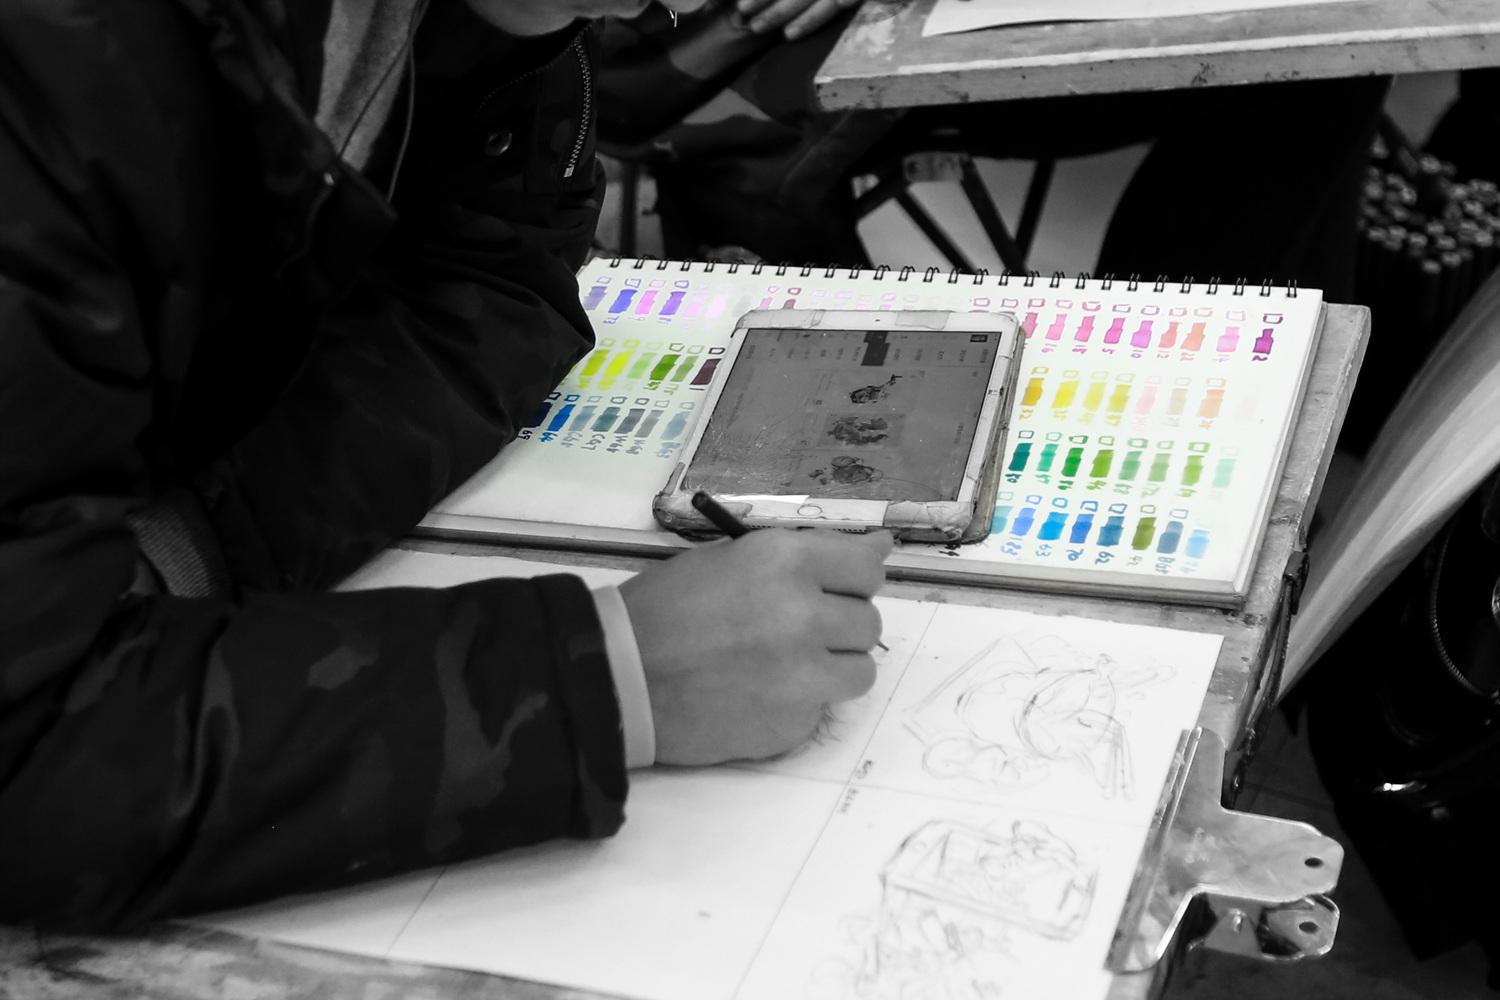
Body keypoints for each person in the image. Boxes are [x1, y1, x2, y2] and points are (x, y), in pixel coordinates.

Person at [0, 0, 890, 931]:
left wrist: (209, 537)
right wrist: (603, 676)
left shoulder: (520, 31)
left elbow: (497, 280)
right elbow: (25, 750)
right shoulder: (58, 68)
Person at [598, 0, 1389, 301]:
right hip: (743, 56)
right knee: (1315, 63)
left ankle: (1239, 380)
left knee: (1334, 47)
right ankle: (1194, 368)